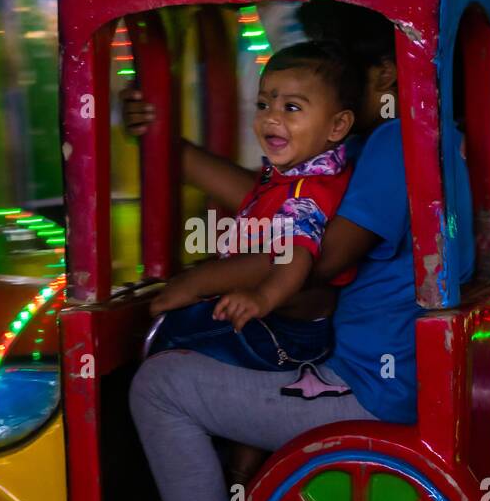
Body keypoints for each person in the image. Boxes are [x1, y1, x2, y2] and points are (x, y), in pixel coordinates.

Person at [127, 0, 476, 501]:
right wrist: (167, 146)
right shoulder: (399, 139)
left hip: (368, 388)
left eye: (339, 75)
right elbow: (273, 202)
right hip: (371, 370)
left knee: (160, 387)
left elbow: (309, 256)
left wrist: (189, 284)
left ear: (383, 76)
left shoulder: (399, 142)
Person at [143, 41, 357, 375]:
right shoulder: (299, 174)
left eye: (292, 108)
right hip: (288, 329)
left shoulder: (304, 191)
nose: (271, 117)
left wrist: (262, 298)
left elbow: (295, 253)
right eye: (263, 104)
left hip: (281, 334)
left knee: (166, 336)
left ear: (337, 126)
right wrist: (149, 124)